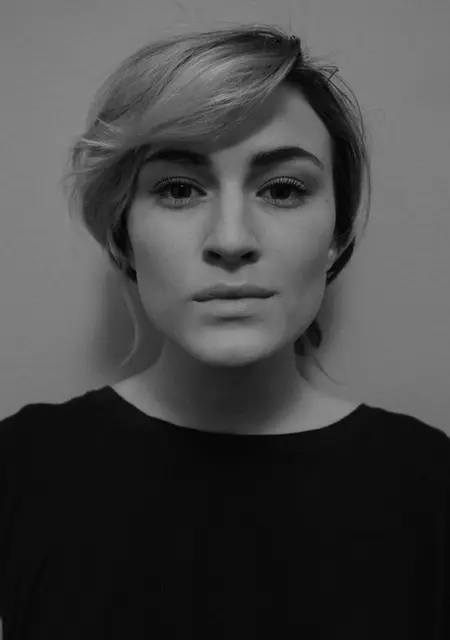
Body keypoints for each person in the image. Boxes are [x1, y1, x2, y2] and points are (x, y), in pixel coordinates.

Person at [0, 23, 448, 639]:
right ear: (123, 232)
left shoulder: (431, 487)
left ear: (337, 234)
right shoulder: (19, 470)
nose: (231, 240)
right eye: (179, 189)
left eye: (283, 189)